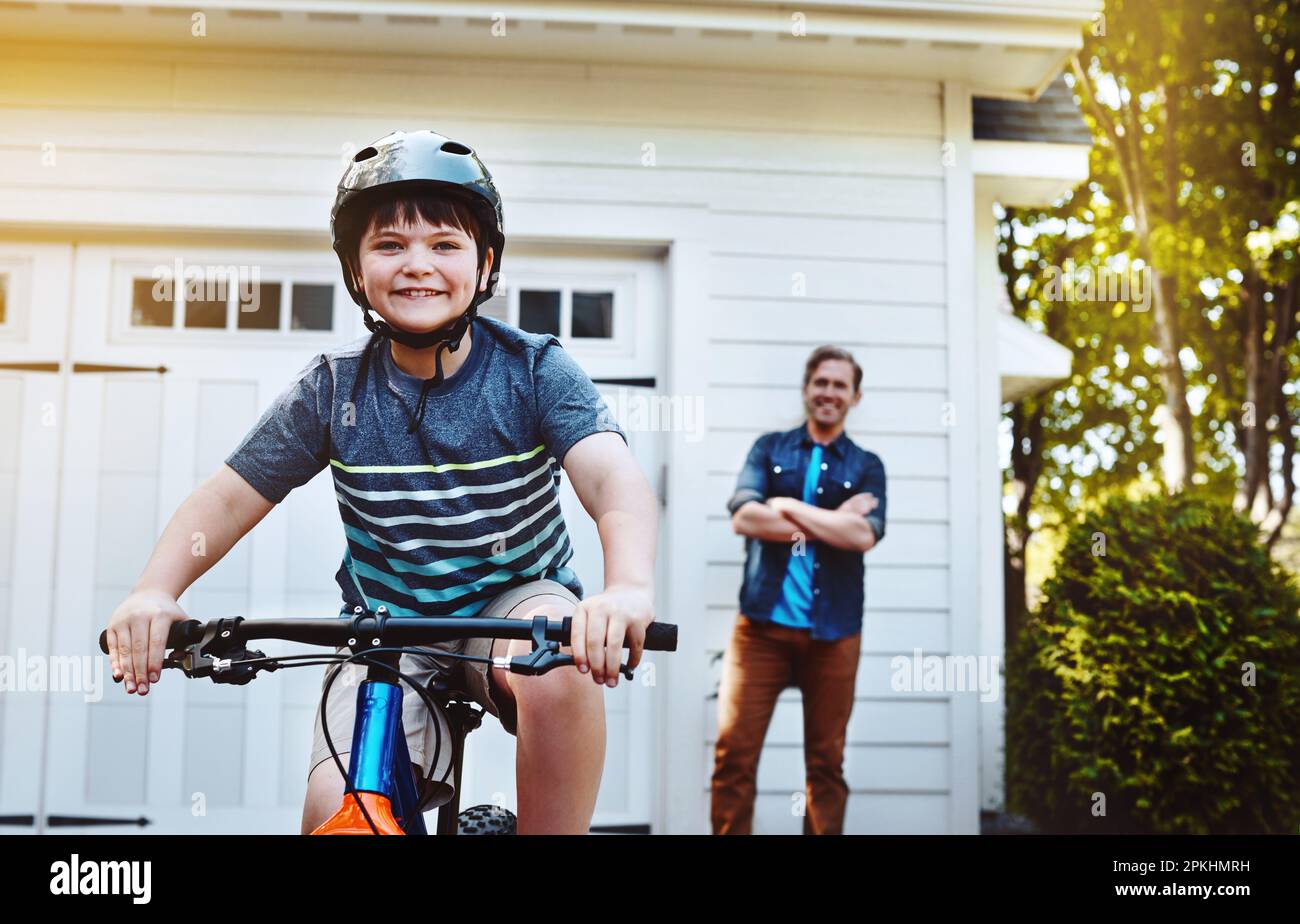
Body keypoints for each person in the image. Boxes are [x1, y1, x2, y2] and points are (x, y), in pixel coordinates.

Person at [102, 129, 659, 835]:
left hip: (514, 604)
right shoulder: (332, 389)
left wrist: (629, 587)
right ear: (356, 272)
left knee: (559, 665)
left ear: (486, 265)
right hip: (388, 626)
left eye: (444, 245)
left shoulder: (533, 371)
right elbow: (226, 498)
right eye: (390, 245)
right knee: (336, 813)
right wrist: (157, 588)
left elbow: (615, 480)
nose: (417, 265)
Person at [711, 345, 887, 835]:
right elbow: (745, 516)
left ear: (855, 396)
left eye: (840, 385)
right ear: (808, 389)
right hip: (761, 630)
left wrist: (786, 507)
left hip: (834, 633)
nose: (829, 392)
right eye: (821, 382)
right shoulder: (770, 448)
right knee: (734, 756)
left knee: (826, 765)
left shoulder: (868, 465)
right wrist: (833, 519)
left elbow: (863, 536)